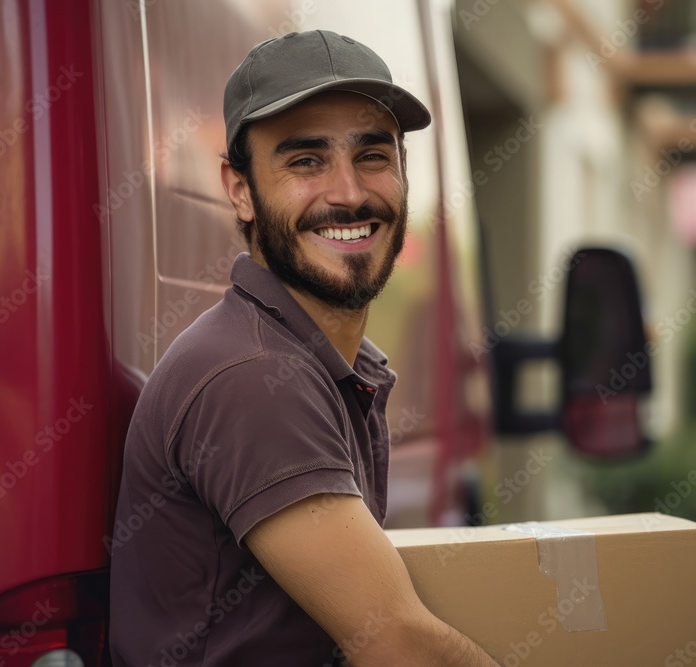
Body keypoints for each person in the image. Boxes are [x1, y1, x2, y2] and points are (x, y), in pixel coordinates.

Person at [109, 30, 499, 667]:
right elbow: (395, 642)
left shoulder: (311, 357)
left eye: (373, 156)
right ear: (240, 190)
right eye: (305, 161)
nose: (348, 193)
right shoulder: (253, 376)